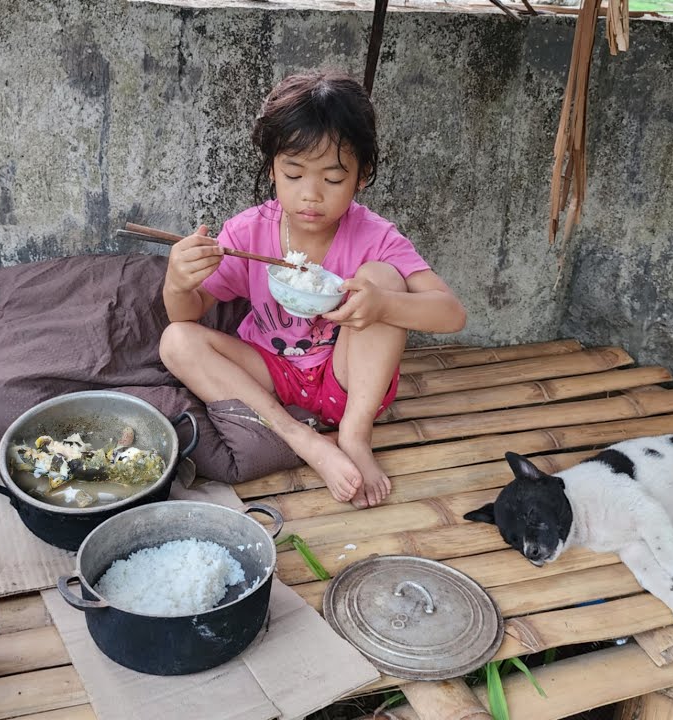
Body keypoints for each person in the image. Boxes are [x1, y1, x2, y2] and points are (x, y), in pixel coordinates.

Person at [159, 70, 467, 509]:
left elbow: (452, 314)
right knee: (175, 341)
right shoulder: (249, 231)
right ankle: (303, 440)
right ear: (272, 169)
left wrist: (382, 305)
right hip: (269, 374)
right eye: (294, 173)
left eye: (333, 179)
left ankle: (354, 435)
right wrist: (177, 281)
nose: (311, 195)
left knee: (382, 278)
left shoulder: (374, 235)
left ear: (362, 176)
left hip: (347, 383)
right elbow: (186, 316)